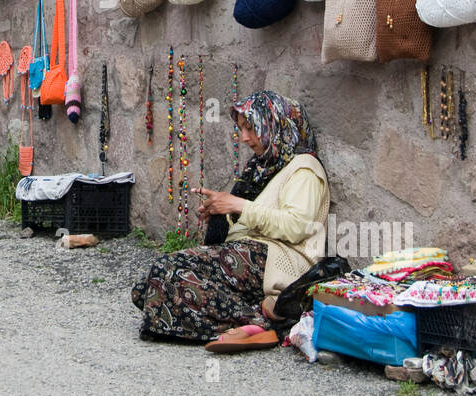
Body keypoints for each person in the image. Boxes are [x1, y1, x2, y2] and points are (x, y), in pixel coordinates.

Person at [131, 91, 329, 347]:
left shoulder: (304, 168)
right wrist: (222, 211)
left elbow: (297, 226)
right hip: (250, 254)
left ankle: (264, 324)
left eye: (251, 128)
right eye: (242, 129)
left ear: (275, 124)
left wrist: (239, 205)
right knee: (146, 288)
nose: (245, 138)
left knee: (166, 273)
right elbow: (251, 216)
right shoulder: (261, 168)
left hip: (277, 259)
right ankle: (260, 315)